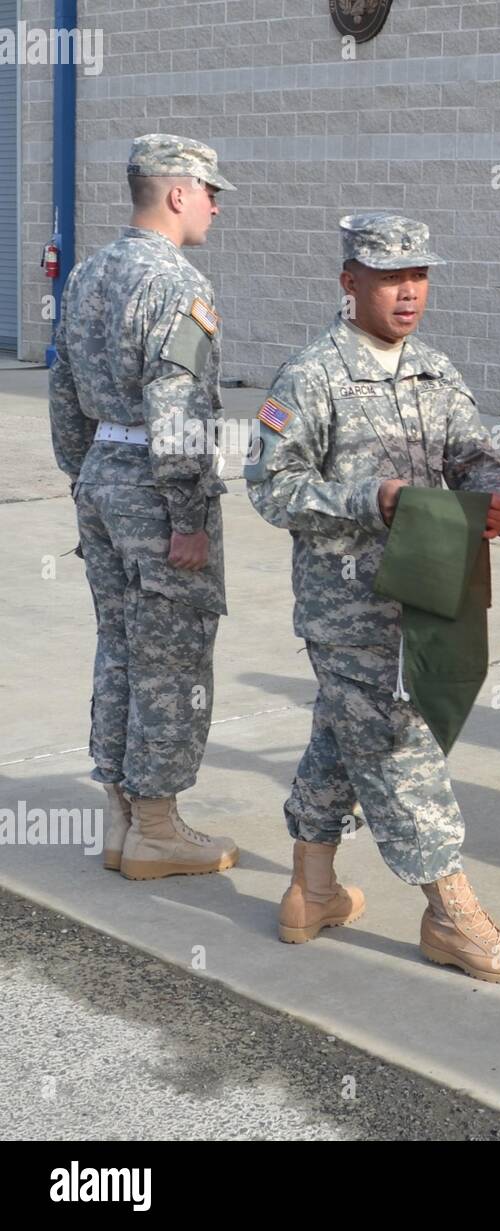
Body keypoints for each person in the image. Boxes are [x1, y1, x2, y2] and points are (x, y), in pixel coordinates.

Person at [244, 212, 500, 985]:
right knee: (402, 746)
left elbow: (475, 451)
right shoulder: (312, 375)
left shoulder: (435, 370)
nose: (409, 292)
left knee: (344, 732)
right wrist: (370, 498)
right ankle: (451, 912)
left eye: (419, 275)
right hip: (348, 604)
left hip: (428, 589)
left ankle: (311, 889)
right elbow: (271, 487)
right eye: (389, 277)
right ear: (350, 283)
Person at [48, 133, 238, 880]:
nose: (217, 205)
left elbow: (64, 394)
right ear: (177, 192)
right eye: (210, 191)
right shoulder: (176, 284)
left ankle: (122, 816)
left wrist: (84, 475)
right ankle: (156, 825)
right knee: (171, 655)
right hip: (156, 486)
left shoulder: (89, 275)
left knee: (120, 644)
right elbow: (179, 403)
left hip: (103, 472)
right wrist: (187, 514)